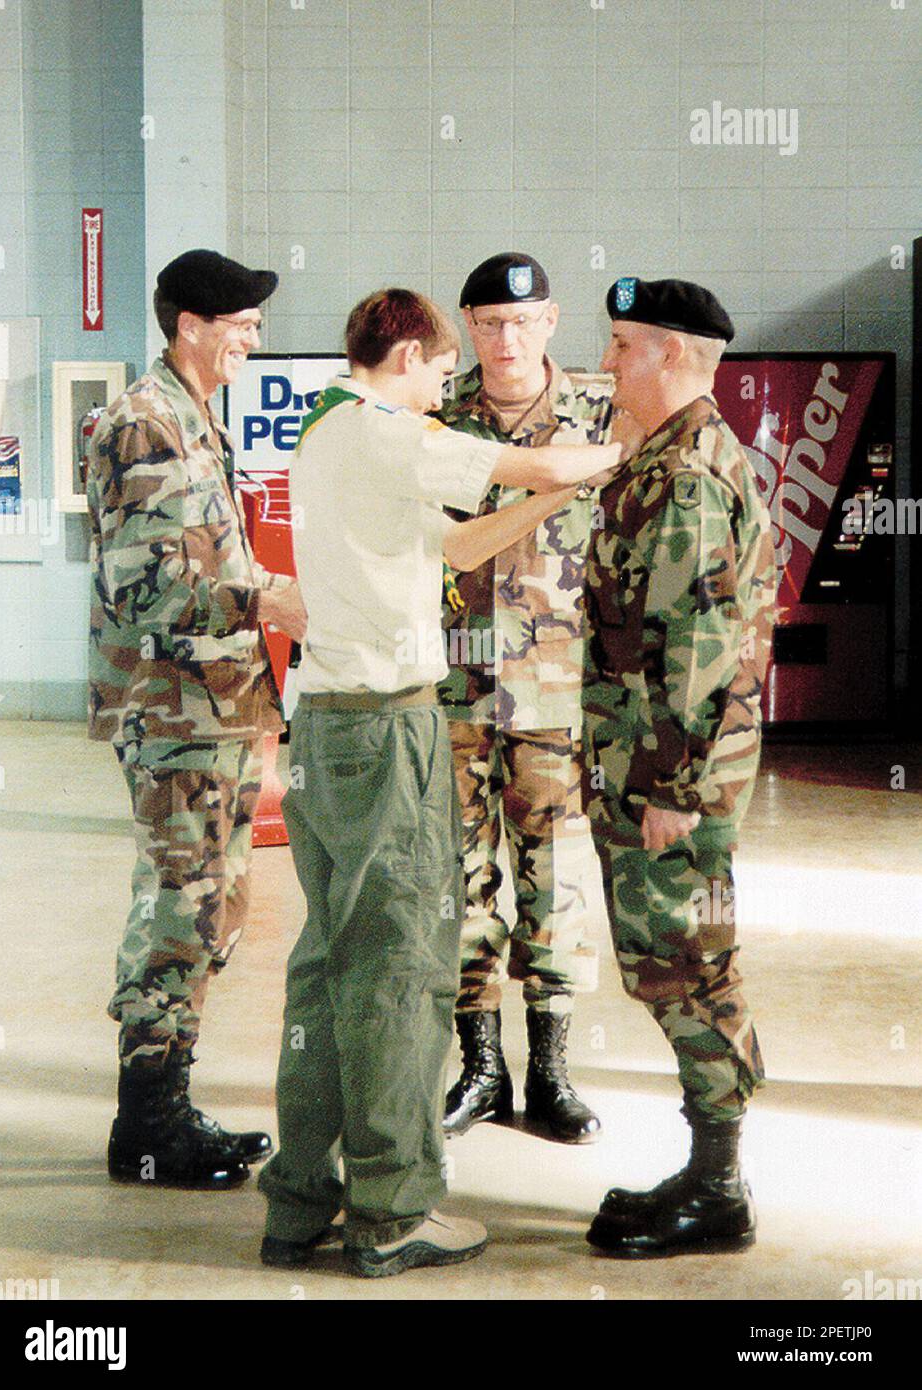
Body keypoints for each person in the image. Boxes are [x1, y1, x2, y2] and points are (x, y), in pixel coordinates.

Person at [256, 288, 619, 1278]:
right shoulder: (387, 431)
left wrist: (547, 505)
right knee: (402, 972)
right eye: (440, 366)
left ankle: (299, 1201)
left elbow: (453, 544)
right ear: (408, 353)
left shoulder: (330, 433)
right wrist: (612, 455)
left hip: (327, 726)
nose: (444, 385)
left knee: (329, 965)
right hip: (385, 733)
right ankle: (391, 1210)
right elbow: (540, 455)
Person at [88, 249, 307, 1189]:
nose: (253, 340)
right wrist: (271, 600)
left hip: (209, 706)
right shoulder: (147, 420)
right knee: (177, 910)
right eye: (243, 325)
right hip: (172, 708)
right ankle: (145, 1127)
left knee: (211, 905)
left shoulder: (191, 414)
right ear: (193, 326)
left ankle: (168, 1105)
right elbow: (151, 581)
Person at [581, 277, 776, 1257]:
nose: (608, 361)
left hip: (670, 777)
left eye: (621, 345)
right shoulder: (663, 457)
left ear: (669, 354)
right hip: (659, 766)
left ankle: (716, 1184)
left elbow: (695, 645)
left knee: (684, 965)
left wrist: (664, 789)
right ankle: (712, 1168)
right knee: (679, 960)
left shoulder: (688, 474)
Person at [438, 252, 642, 1144]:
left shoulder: (604, 415)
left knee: (554, 877)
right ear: (467, 327)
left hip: (561, 692)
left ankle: (551, 1070)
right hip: (453, 689)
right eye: (487, 323)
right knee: (457, 874)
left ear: (551, 323)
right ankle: (479, 1066)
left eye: (522, 322)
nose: (506, 339)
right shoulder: (439, 422)